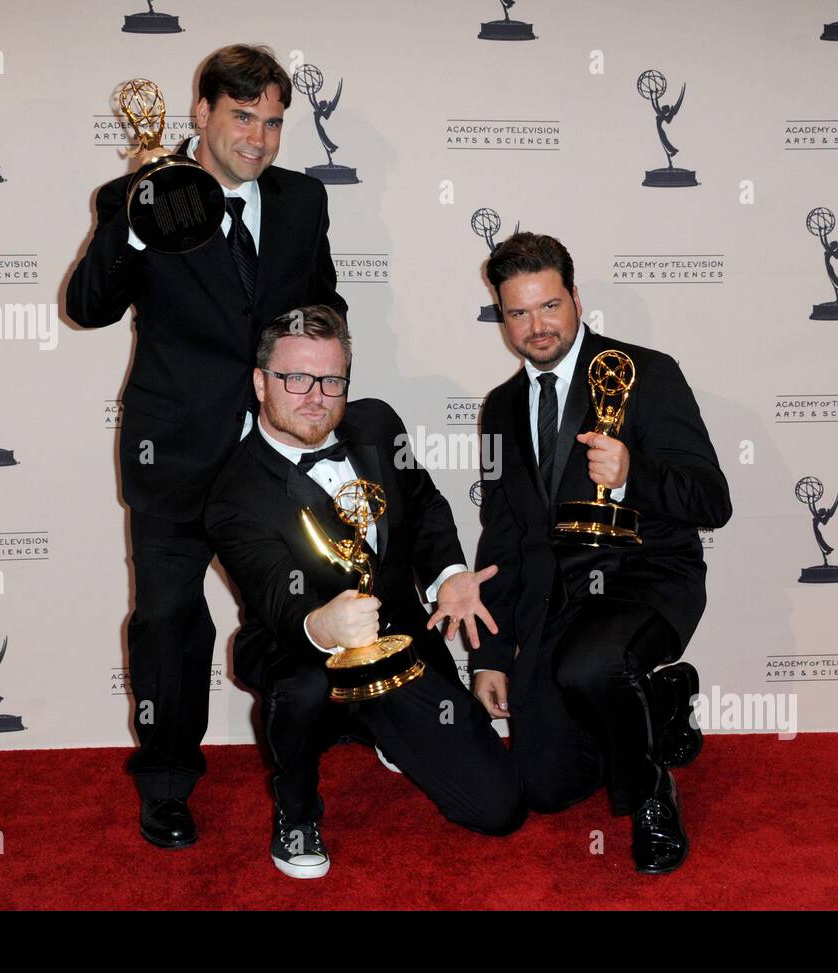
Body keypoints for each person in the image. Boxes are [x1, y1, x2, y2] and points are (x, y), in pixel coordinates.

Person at [65, 45, 346, 849]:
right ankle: (165, 781)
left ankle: (321, 741)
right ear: (201, 114)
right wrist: (134, 213)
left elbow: (320, 299)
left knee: (304, 601)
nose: (258, 138)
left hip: (274, 454)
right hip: (175, 449)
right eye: (242, 116)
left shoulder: (300, 201)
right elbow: (87, 306)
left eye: (273, 121)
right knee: (168, 621)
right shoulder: (135, 196)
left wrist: (321, 384)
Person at [204, 305, 525, 878]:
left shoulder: (376, 424)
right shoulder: (234, 494)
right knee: (300, 689)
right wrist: (324, 628)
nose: (315, 396)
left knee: (500, 810)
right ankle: (296, 812)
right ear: (260, 381)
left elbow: (423, 502)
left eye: (332, 380)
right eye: (294, 378)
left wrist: (449, 574)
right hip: (299, 650)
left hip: (400, 643)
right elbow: (278, 596)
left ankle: (378, 726)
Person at [469, 232, 732, 874]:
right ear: (501, 315)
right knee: (548, 789)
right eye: (518, 312)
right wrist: (492, 656)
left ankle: (652, 796)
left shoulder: (647, 372)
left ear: (576, 299)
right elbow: (502, 535)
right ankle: (660, 701)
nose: (536, 327)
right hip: (560, 602)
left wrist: (631, 474)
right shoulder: (501, 409)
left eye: (549, 306)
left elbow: (712, 501)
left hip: (647, 576)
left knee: (592, 666)